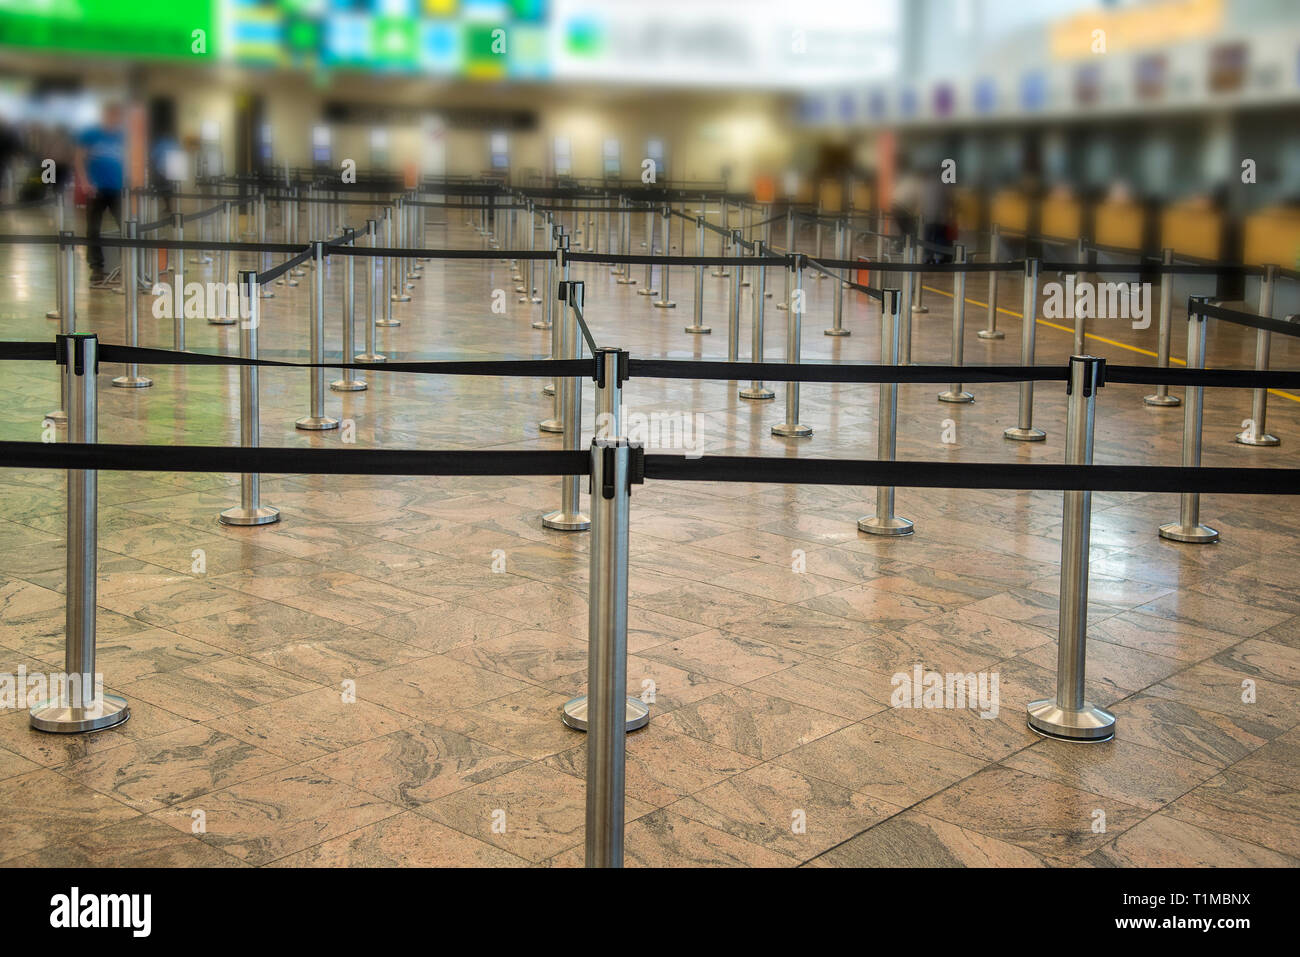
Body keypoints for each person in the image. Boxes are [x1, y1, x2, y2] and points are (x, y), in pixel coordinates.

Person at [75, 100, 125, 283]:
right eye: (111, 115)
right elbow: (79, 158)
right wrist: (85, 181)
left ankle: (125, 264)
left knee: (125, 228)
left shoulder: (122, 135)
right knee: (93, 229)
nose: (114, 119)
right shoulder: (90, 134)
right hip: (96, 189)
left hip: (117, 188)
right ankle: (96, 267)